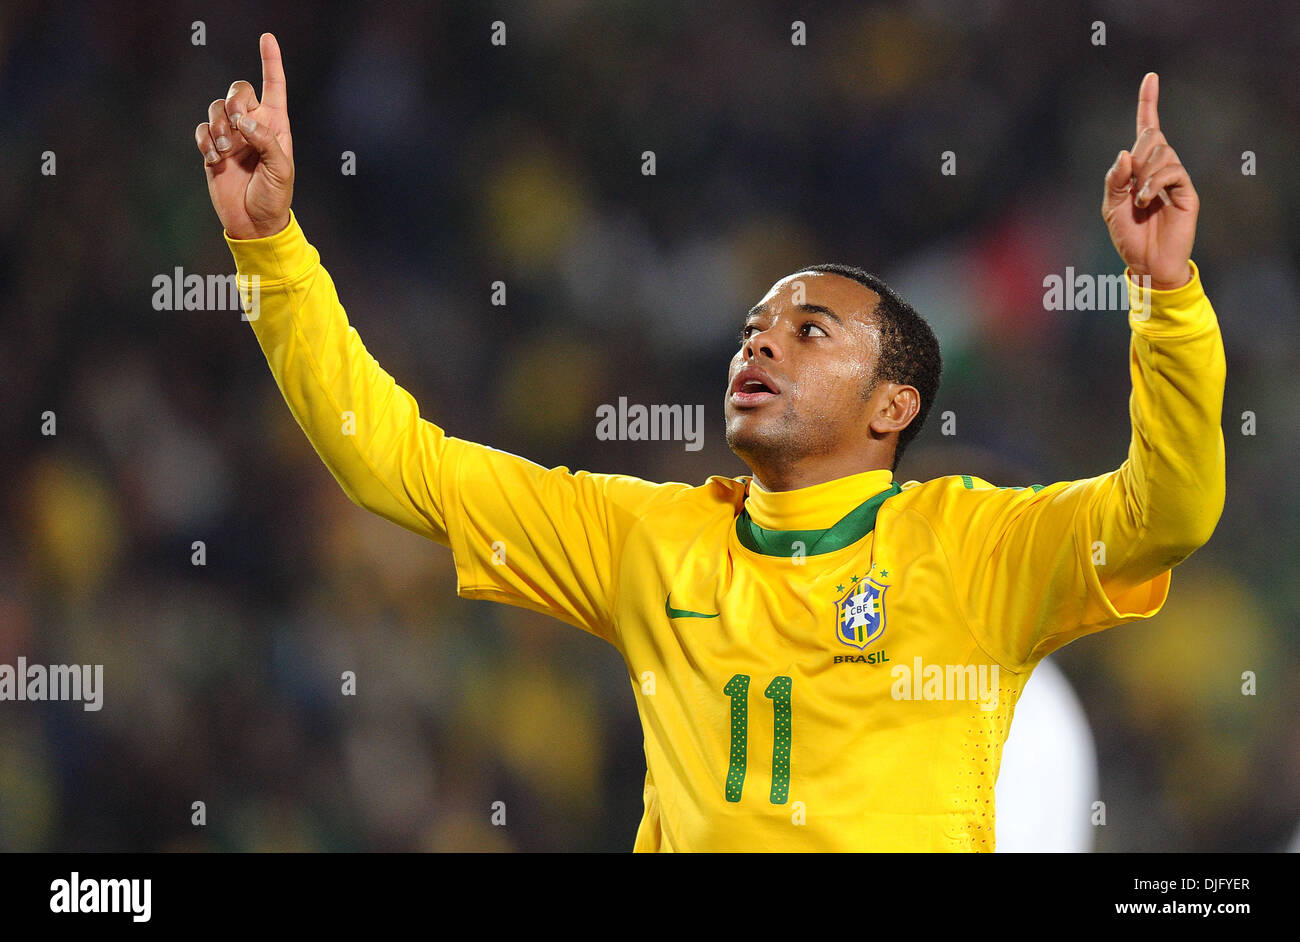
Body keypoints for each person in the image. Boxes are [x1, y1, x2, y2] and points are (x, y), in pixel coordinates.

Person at [195, 33, 1225, 851]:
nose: (762, 341)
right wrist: (268, 248)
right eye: (753, 329)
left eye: (808, 330)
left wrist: (1164, 297)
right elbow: (392, 462)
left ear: (891, 408)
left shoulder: (975, 550)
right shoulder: (651, 539)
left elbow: (1167, 510)